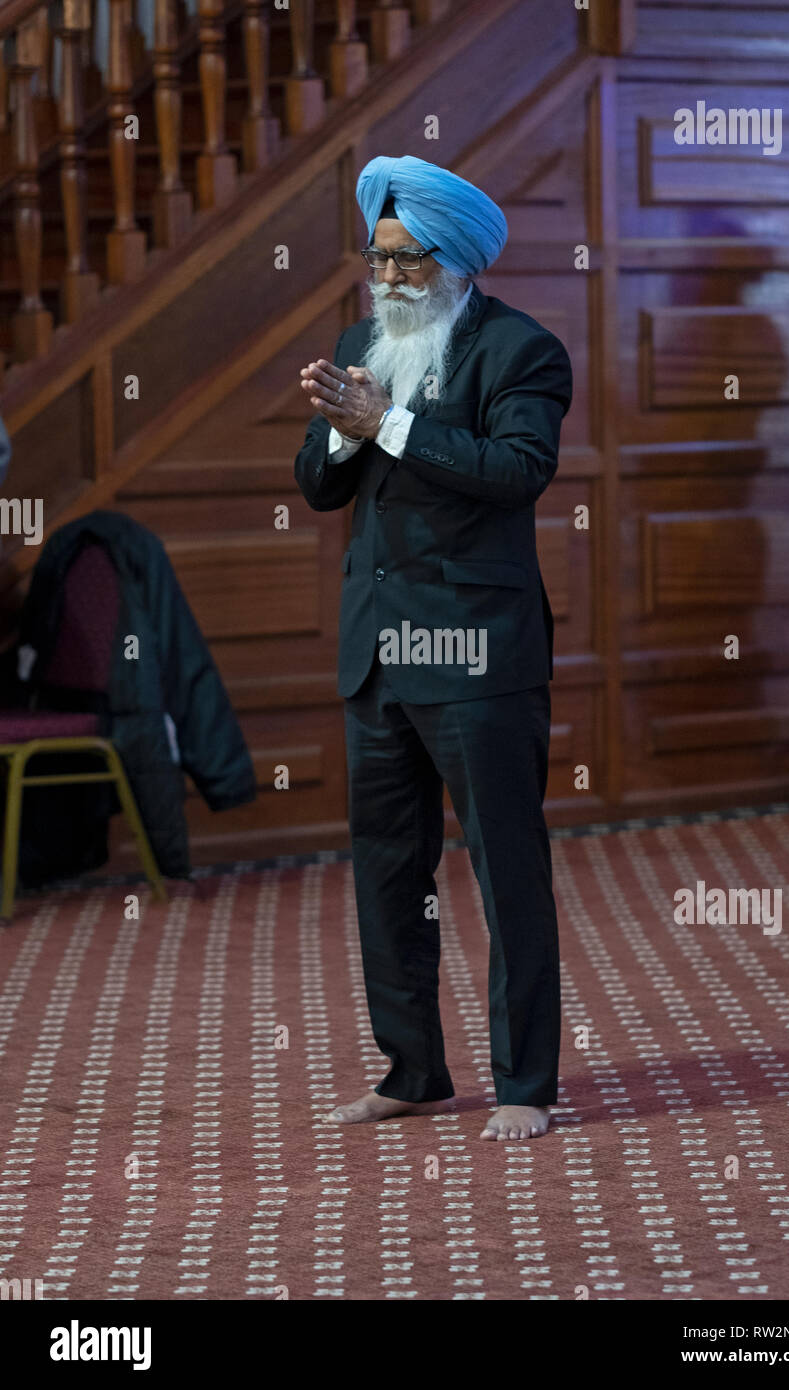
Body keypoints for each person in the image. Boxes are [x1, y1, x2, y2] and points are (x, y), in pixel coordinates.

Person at [294, 155, 573, 1141]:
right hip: (378, 656)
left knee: (504, 869)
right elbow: (322, 489)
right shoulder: (362, 343)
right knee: (385, 873)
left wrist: (389, 424)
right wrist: (338, 431)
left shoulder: (519, 352)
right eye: (380, 258)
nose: (391, 278)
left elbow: (515, 471)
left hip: (477, 655)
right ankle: (410, 1069)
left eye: (410, 262)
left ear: (455, 262)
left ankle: (524, 1083)